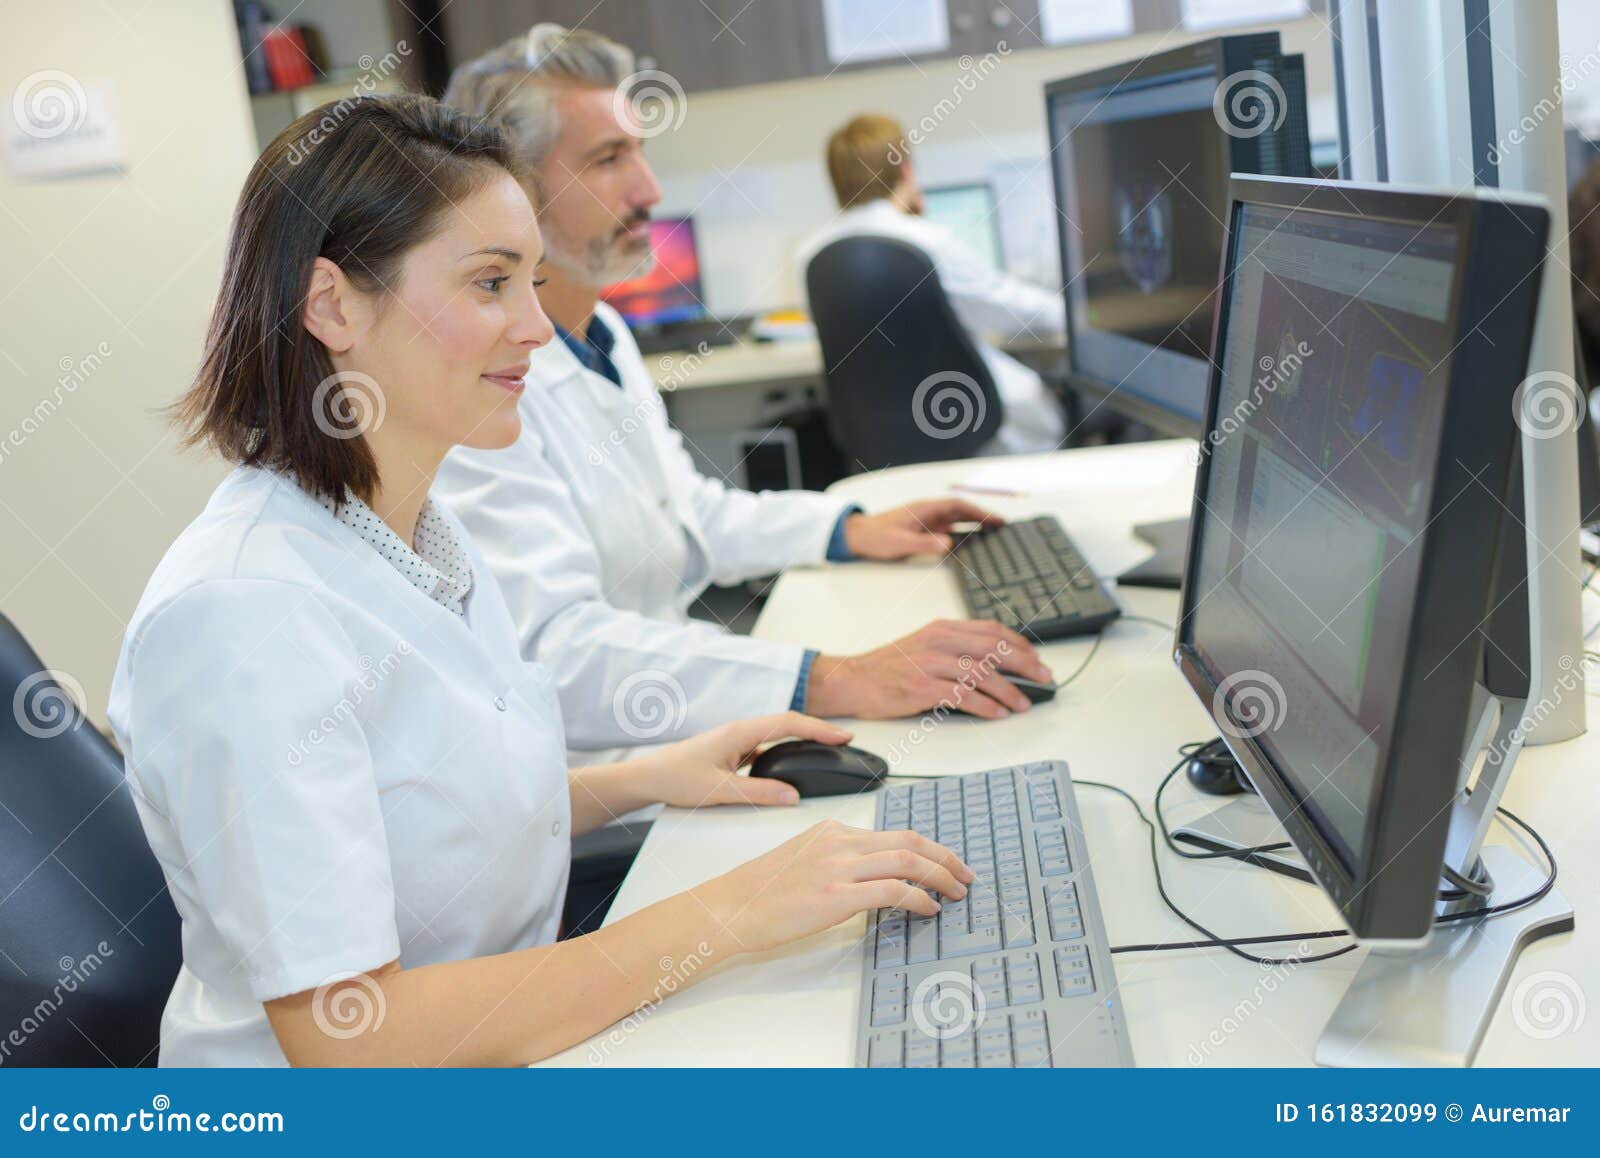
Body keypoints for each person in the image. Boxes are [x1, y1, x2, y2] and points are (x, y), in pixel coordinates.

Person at [109, 95, 970, 1067]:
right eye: (489, 284)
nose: (533, 327)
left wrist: (636, 781)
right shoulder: (241, 616)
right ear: (331, 305)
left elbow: (420, 809)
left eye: (531, 281)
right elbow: (348, 1039)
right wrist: (725, 914)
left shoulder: (415, 528)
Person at [434, 24, 1055, 759]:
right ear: (513, 194)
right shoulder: (471, 384)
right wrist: (828, 679)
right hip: (608, 781)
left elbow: (689, 515)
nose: (650, 189)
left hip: (684, 719)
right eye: (609, 159)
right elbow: (556, 658)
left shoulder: (602, 332)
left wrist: (849, 529)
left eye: (641, 151)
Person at [796, 114, 1069, 456]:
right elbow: (1007, 307)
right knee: (1056, 408)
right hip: (976, 423)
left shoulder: (810, 254)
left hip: (877, 436)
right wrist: (1075, 311)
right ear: (906, 169)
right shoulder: (929, 240)